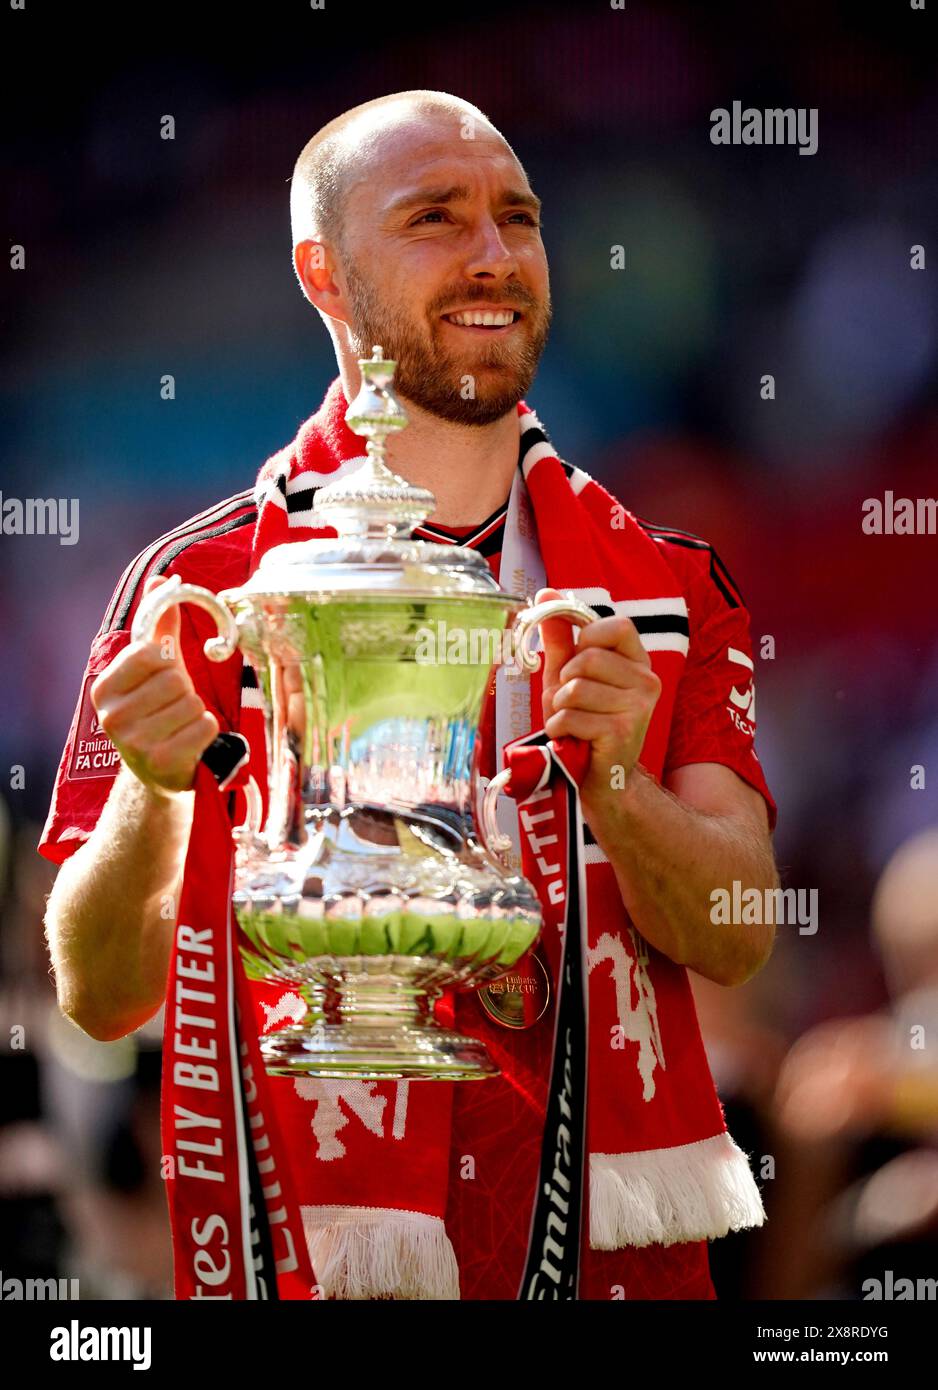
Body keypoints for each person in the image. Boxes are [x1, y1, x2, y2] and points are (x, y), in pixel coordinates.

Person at [40, 90, 780, 1300]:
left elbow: (739, 932)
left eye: (517, 217)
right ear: (322, 274)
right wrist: (147, 789)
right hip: (312, 1253)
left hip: (610, 1271)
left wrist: (620, 788)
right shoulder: (203, 584)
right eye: (434, 218)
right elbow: (99, 988)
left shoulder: (663, 587)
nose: (492, 253)